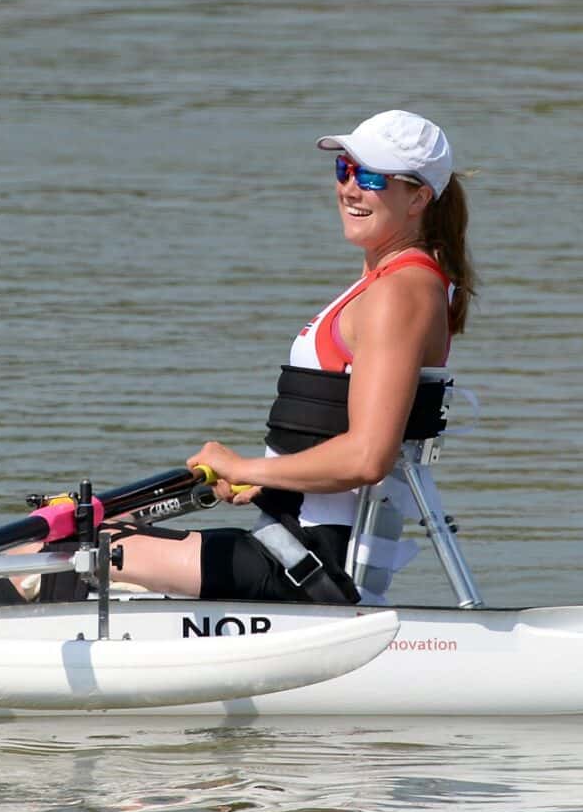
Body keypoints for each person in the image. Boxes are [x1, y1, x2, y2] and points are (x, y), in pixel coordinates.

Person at [119, 109, 477, 603]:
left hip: (306, 565)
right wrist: (267, 485)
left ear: (419, 197)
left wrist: (245, 468)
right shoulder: (386, 285)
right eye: (344, 170)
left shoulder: (401, 291)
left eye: (371, 176)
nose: (351, 189)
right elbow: (330, 438)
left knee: (57, 556)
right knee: (85, 531)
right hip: (287, 540)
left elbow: (367, 456)